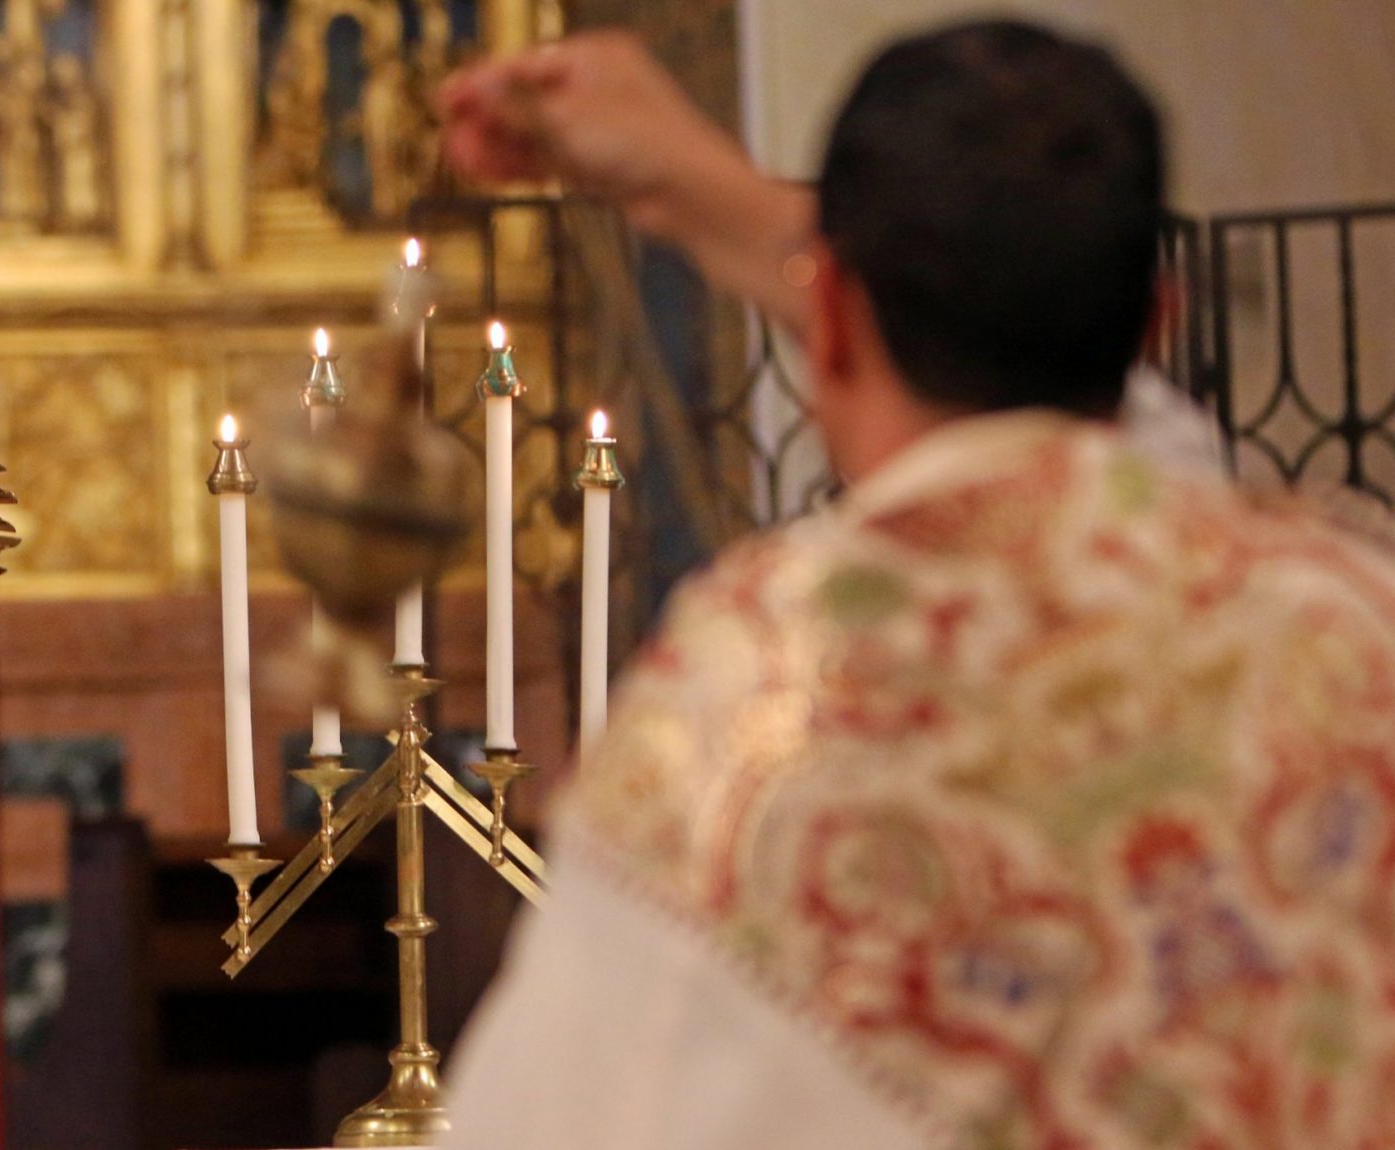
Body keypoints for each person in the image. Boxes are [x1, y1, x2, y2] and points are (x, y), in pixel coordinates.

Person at [434, 21, 1395, 1150]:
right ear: (1157, 320)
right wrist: (705, 192)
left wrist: (700, 194)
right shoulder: (1345, 610)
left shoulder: (758, 697)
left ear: (827, 313)